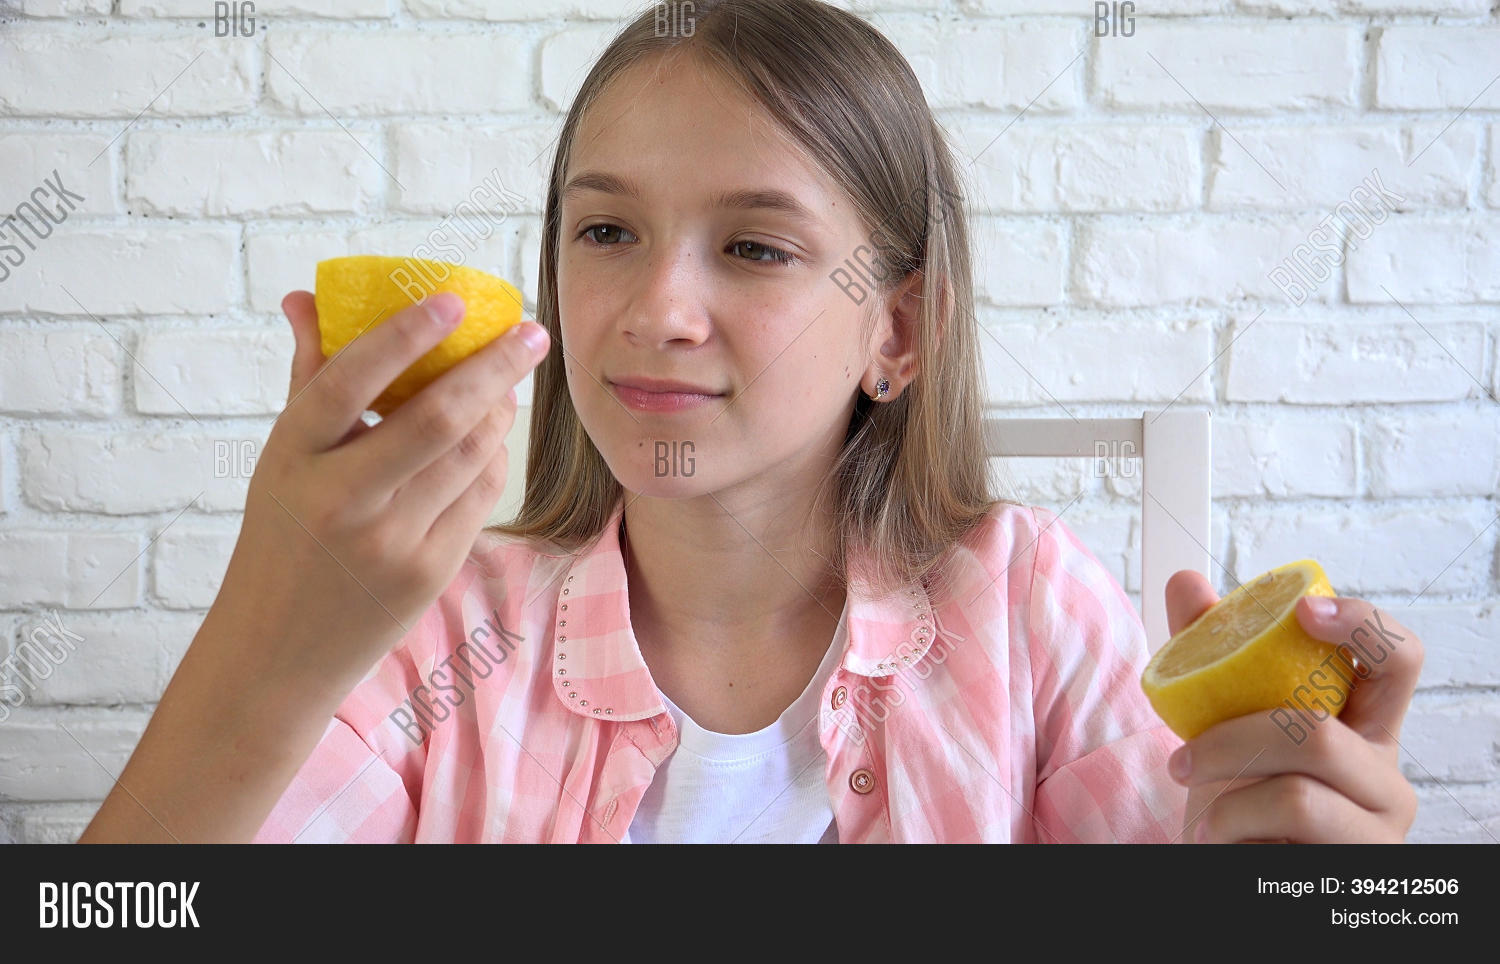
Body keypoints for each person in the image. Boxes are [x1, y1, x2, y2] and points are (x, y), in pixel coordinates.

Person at [79, 0, 1421, 844]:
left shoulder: (1032, 611)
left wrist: (1316, 894)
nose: (656, 307)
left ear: (897, 332)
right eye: (607, 229)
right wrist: (265, 636)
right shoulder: (431, 634)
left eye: (759, 249)